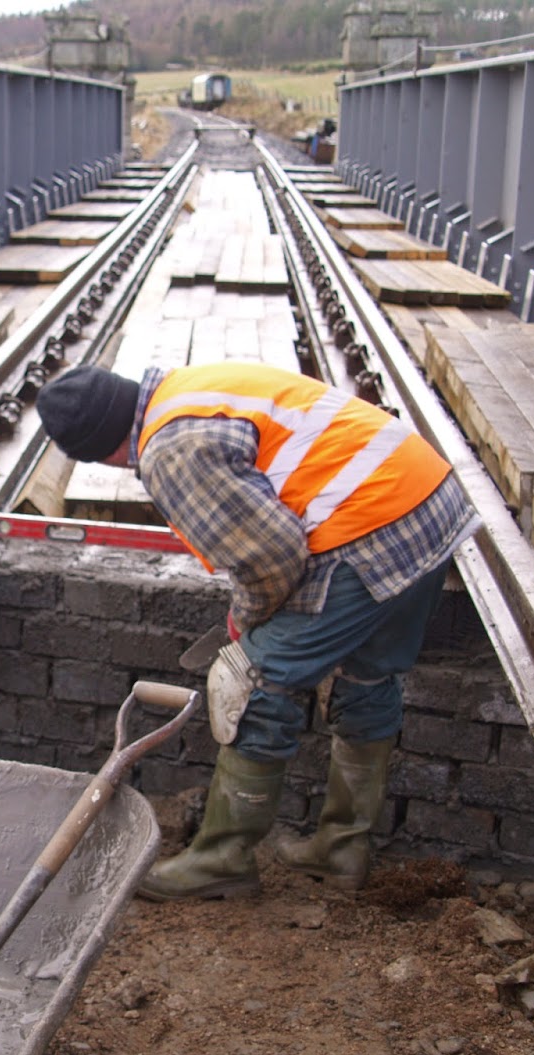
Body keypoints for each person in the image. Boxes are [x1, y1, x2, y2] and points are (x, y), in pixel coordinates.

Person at [35, 361, 480, 898]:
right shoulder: (190, 388)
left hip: (369, 528)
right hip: (428, 506)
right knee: (365, 675)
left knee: (252, 682)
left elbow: (272, 554)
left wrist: (246, 620)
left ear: (98, 450)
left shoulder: (170, 450)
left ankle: (222, 860)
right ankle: (341, 852)